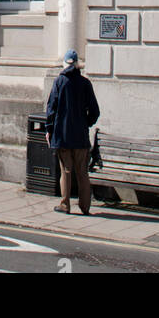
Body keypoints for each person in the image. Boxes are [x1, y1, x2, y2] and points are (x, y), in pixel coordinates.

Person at [46, 48, 100, 215]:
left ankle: (65, 204)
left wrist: (49, 130)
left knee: (66, 171)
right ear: (77, 64)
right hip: (80, 136)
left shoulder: (59, 82)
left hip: (62, 136)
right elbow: (95, 111)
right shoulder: (85, 83)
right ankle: (85, 206)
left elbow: (51, 110)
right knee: (82, 172)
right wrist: (86, 123)